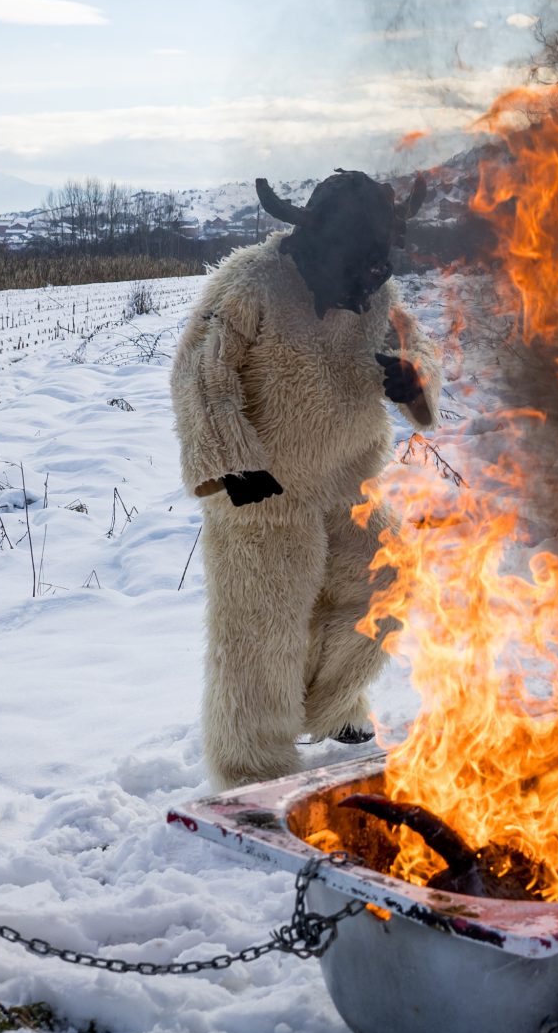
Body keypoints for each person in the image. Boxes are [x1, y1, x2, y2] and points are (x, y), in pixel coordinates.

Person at [174, 172, 440, 788]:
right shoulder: (251, 284)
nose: (373, 272)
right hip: (265, 496)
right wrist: (230, 462)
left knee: (387, 581)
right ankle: (250, 767)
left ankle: (328, 705)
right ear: (315, 236)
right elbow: (200, 372)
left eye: (381, 255)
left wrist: (414, 377)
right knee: (261, 630)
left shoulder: (376, 287)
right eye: (362, 255)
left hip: (347, 484)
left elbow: (416, 343)